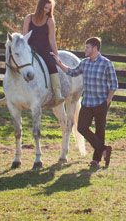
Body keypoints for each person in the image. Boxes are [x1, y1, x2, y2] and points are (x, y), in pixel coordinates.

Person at [51, 36, 118, 170]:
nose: (85, 50)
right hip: (87, 102)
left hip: (101, 103)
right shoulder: (84, 63)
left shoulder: (106, 63)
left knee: (100, 131)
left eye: (87, 47)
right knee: (81, 127)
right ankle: (104, 149)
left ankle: (96, 160)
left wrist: (107, 101)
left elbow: (114, 84)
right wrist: (59, 63)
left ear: (95, 48)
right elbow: (72, 72)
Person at [22, 0, 64, 106]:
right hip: (30, 49)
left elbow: (52, 40)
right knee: (16, 62)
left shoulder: (49, 21)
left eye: (49, 9)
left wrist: (57, 56)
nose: (46, 11)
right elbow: (24, 36)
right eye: (45, 8)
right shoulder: (28, 18)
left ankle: (58, 93)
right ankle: (9, 93)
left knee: (51, 64)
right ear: (40, 6)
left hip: (44, 49)